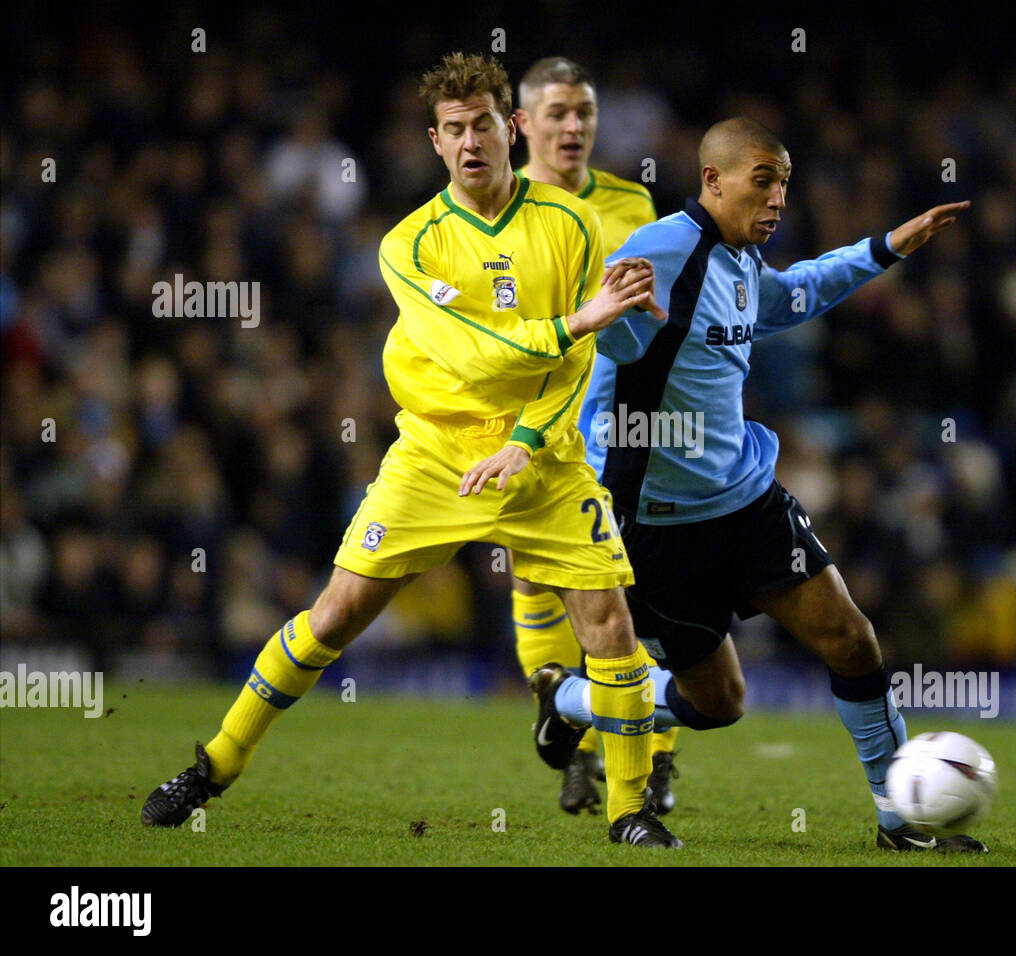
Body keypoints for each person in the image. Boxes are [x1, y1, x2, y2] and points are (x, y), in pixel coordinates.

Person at [142, 52, 685, 850]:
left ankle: (630, 811)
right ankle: (214, 766)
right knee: (334, 615)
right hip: (434, 455)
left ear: (512, 128)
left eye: (484, 126)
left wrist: (530, 441)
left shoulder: (568, 225)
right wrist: (579, 320)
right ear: (436, 141)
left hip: (542, 456)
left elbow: (581, 363)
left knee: (610, 624)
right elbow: (474, 355)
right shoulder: (410, 245)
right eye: (455, 130)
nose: (472, 142)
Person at [522, 116, 986, 852]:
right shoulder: (659, 251)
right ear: (713, 180)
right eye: (762, 181)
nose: (776, 200)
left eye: (784, 185)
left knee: (851, 636)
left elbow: (791, 295)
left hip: (745, 501)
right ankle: (569, 697)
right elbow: (603, 341)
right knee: (719, 704)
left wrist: (885, 248)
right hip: (655, 521)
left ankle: (901, 817)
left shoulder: (738, 262)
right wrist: (607, 324)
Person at [506, 56, 681, 818]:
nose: (573, 126)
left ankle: (655, 758)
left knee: (632, 591)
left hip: (618, 421)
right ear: (524, 123)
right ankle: (570, 736)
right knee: (536, 578)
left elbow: (653, 306)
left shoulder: (631, 200)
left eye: (584, 112)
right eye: (557, 113)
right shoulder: (498, 203)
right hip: (534, 416)